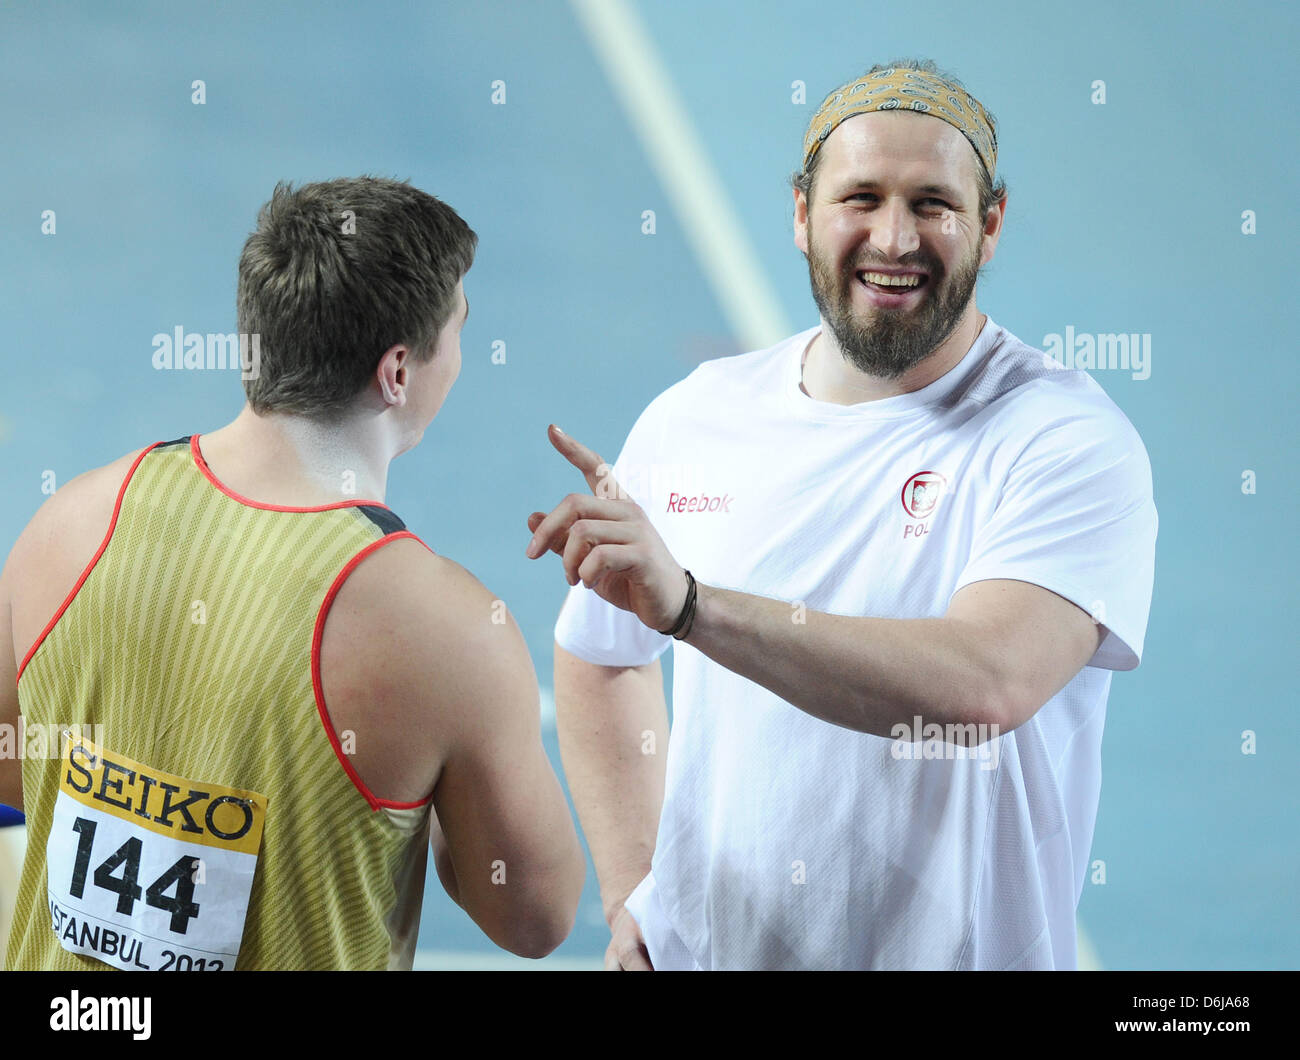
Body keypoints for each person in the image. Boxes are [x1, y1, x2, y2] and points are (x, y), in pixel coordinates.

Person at [527, 59, 1158, 970]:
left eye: (933, 203)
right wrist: (637, 891)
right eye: (859, 197)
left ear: (991, 224)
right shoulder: (693, 418)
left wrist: (696, 610)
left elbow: (984, 683)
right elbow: (600, 653)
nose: (894, 239)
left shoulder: (1065, 440)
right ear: (800, 214)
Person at [0, 176, 584, 970]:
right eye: (459, 331)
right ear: (399, 371)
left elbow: (17, 768)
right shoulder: (446, 634)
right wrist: (449, 756)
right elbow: (535, 917)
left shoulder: (69, 523)